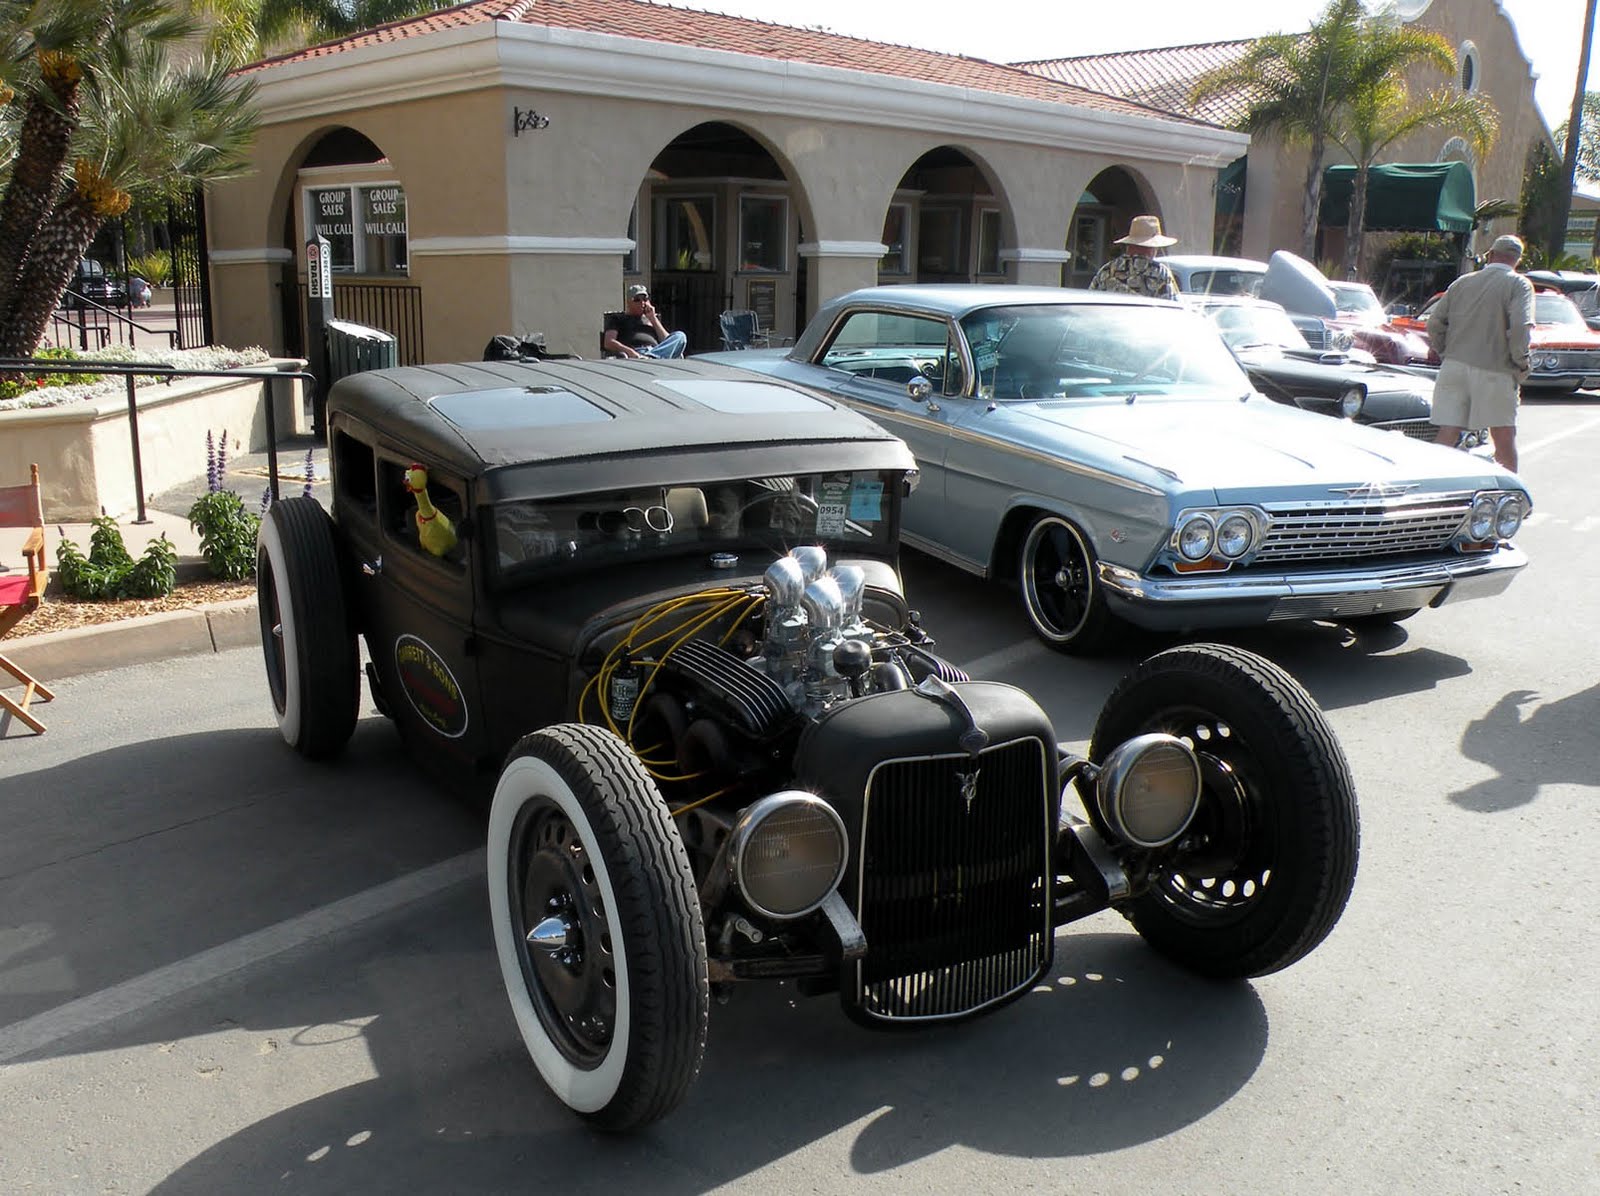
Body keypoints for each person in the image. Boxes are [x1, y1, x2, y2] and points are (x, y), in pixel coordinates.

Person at [1427, 234, 1534, 472]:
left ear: (1491, 254)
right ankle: (1509, 496)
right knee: (1503, 436)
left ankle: (1432, 486)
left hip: (1453, 366)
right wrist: (1521, 362)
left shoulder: (1462, 282)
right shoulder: (1519, 284)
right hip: (1496, 369)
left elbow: (1434, 323)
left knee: (1448, 432)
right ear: (1516, 260)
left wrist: (1446, 350)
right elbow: (1520, 327)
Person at [1088, 214, 1180, 300]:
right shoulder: (1160, 272)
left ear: (1129, 244)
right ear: (1153, 247)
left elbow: (1090, 300)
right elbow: (1173, 308)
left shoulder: (1107, 270)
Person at [603, 284, 687, 358]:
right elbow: (609, 342)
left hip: (657, 351)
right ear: (628, 302)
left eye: (645, 299)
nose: (642, 302)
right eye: (637, 299)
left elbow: (666, 341)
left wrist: (653, 318)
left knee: (680, 336)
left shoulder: (651, 318)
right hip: (638, 352)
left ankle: (652, 357)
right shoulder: (618, 318)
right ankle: (652, 357)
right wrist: (630, 352)